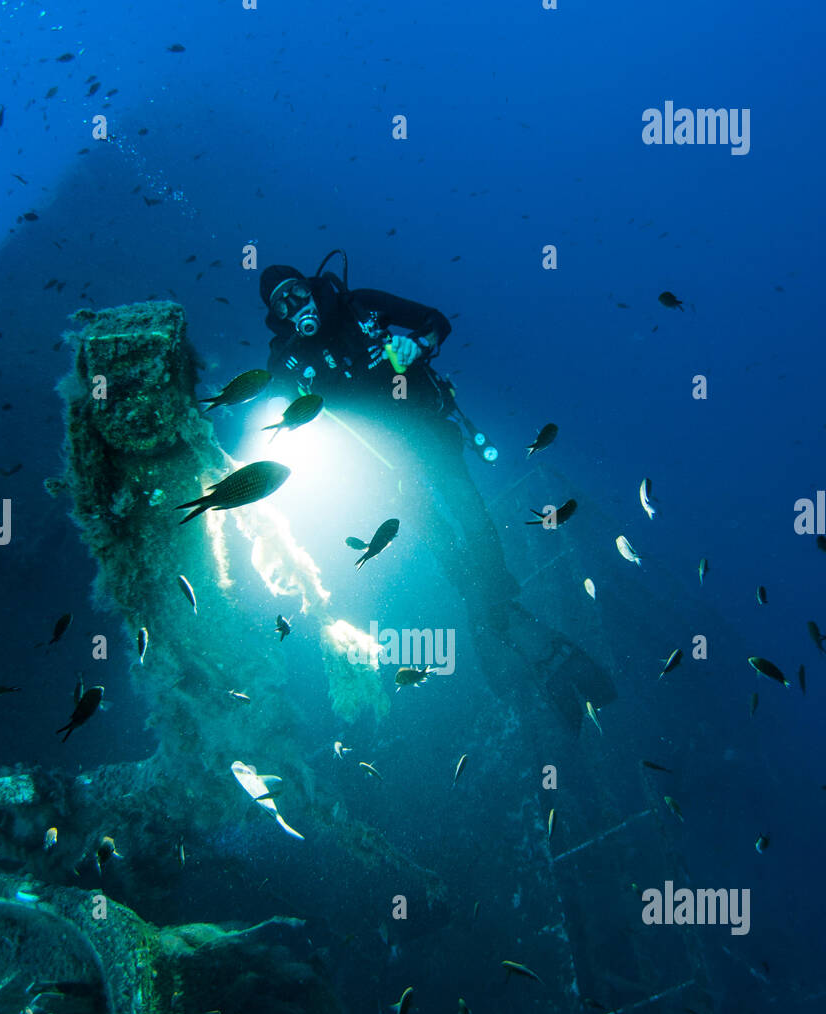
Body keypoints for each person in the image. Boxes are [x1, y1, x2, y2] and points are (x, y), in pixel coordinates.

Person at [258, 257, 614, 732]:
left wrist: (419, 343)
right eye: (282, 302)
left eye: (296, 290)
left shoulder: (358, 305)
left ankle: (494, 603)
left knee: (469, 511)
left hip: (426, 428)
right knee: (427, 529)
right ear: (277, 315)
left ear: (310, 286)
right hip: (380, 464)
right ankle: (495, 609)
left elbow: (434, 319)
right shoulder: (287, 357)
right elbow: (271, 396)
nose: (294, 304)